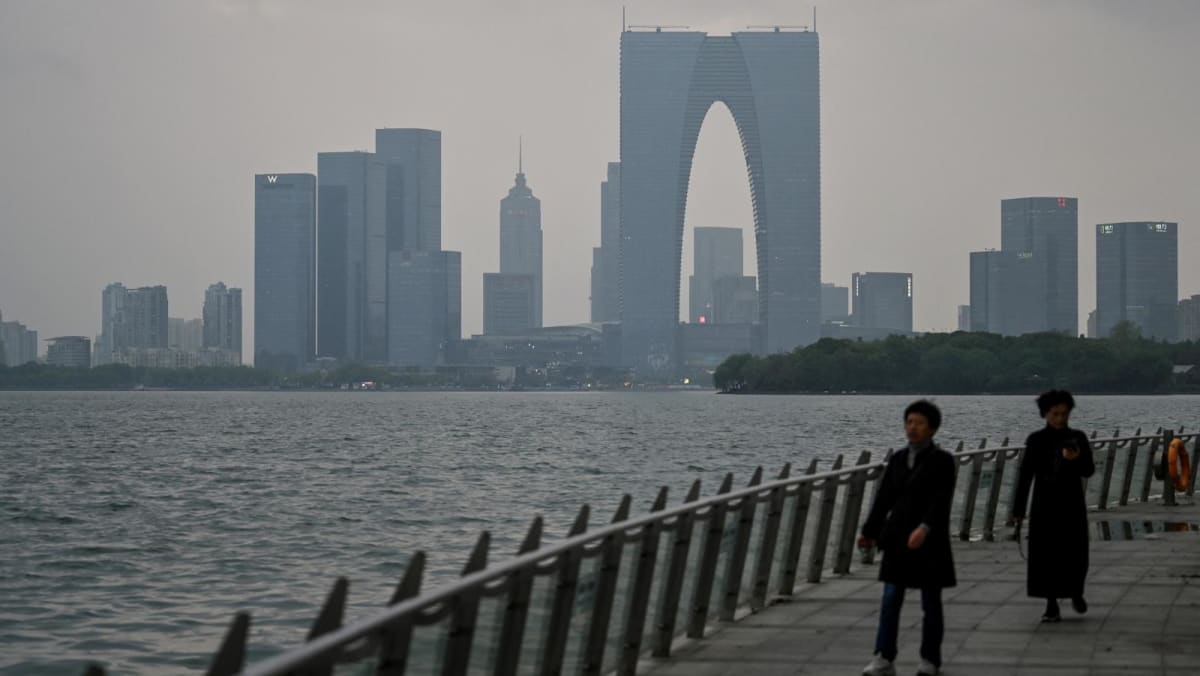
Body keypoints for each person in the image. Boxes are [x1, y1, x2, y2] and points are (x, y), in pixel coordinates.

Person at [858, 400, 957, 676]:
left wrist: (925, 528)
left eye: (919, 423)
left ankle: (930, 659)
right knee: (890, 598)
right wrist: (868, 532)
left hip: (929, 541)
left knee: (931, 602)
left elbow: (941, 500)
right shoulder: (898, 459)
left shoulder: (943, 461)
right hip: (897, 538)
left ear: (932, 429)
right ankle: (883, 656)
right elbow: (884, 499)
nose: (912, 428)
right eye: (909, 422)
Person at [1012, 389, 1095, 622]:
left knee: (1075, 551)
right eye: (1055, 414)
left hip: (1071, 502)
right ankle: (1051, 604)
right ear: (1045, 414)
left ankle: (1076, 591)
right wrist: (1018, 511)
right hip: (1044, 503)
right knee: (1045, 554)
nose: (1060, 418)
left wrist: (1076, 459)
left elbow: (1089, 470)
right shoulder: (1036, 440)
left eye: (1064, 414)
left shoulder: (1078, 438)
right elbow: (1026, 476)